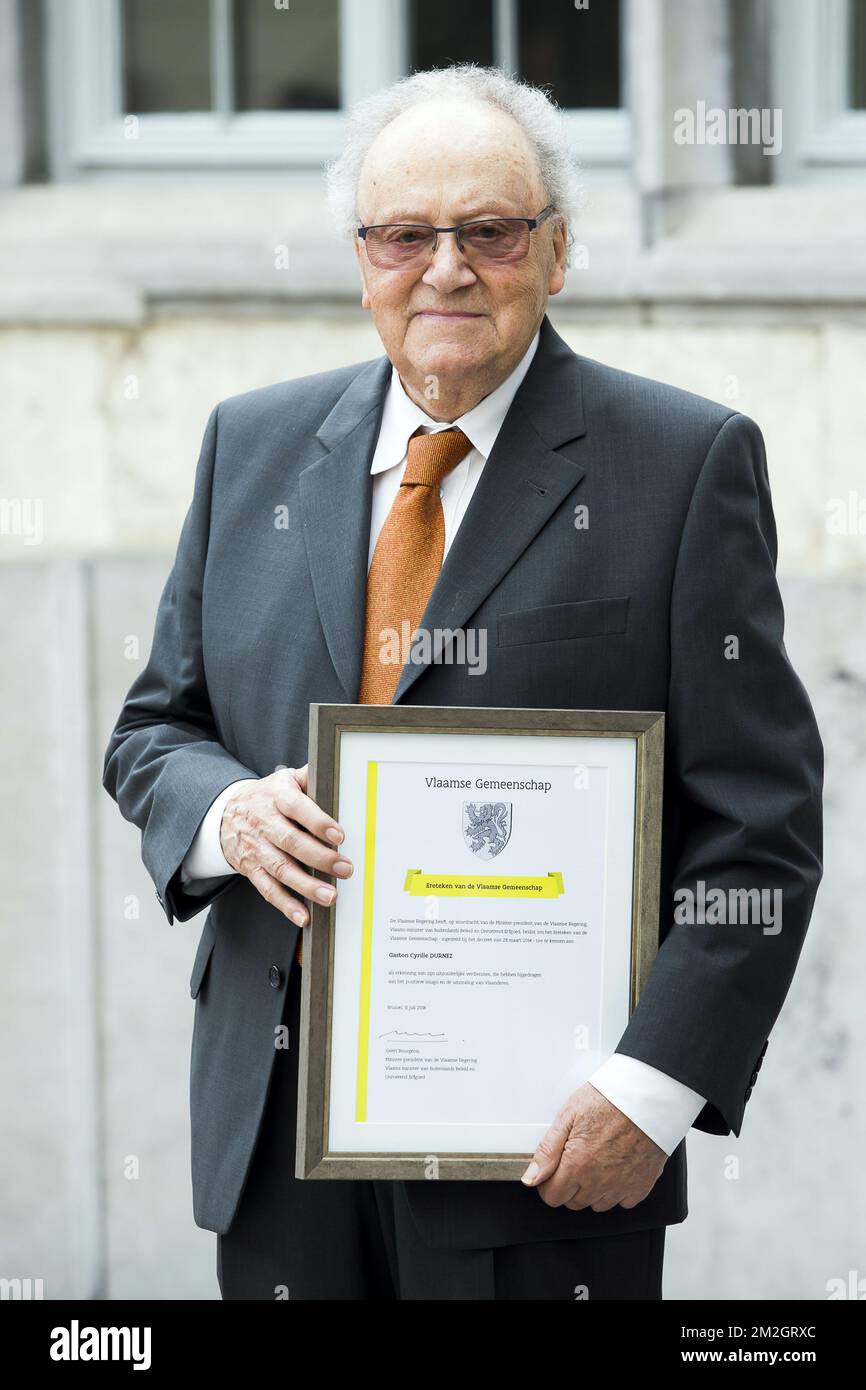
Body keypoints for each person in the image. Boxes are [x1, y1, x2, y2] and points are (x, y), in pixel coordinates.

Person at [103, 65, 823, 1301]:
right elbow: (155, 730)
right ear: (360, 254)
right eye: (404, 235)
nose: (446, 269)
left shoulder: (684, 463)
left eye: (489, 232)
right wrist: (226, 816)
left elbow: (758, 829)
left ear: (554, 252)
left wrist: (648, 1091)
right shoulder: (249, 444)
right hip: (276, 1138)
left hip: (547, 1155)